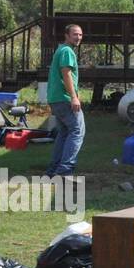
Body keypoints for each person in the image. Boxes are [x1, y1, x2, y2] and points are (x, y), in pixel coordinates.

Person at [46, 23, 85, 178]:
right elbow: (66, 74)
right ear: (67, 35)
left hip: (56, 99)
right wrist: (74, 97)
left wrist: (76, 94)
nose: (78, 37)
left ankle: (52, 171)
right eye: (75, 34)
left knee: (64, 133)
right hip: (64, 99)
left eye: (80, 35)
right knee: (77, 131)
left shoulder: (61, 50)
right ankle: (64, 171)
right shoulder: (67, 51)